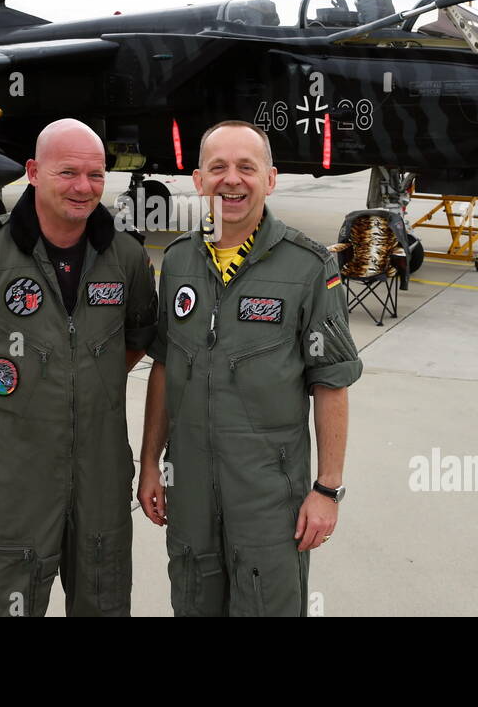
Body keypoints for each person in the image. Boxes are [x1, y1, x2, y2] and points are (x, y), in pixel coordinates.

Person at [0, 119, 157, 616]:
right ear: (33, 172)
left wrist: (82, 385)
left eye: (95, 175)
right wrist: (7, 399)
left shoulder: (127, 256)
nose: (83, 187)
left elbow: (133, 345)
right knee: (3, 599)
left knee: (104, 597)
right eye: (68, 172)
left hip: (102, 470)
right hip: (14, 471)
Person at [137, 120, 361, 617]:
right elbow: (164, 366)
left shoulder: (308, 266)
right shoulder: (177, 262)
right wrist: (150, 462)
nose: (231, 180)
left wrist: (327, 489)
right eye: (218, 168)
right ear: (198, 180)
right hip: (189, 493)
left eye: (246, 167)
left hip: (268, 499)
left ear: (271, 179)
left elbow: (332, 382)